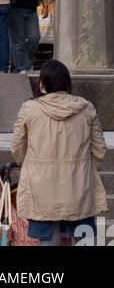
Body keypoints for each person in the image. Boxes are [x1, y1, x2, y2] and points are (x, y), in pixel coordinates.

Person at [11, 58, 107, 246]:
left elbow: (17, 147)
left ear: (42, 84)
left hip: (41, 188)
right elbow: (99, 150)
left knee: (48, 240)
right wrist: (85, 168)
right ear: (68, 83)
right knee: (85, 237)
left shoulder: (29, 109)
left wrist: (29, 165)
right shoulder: (85, 108)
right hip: (79, 187)